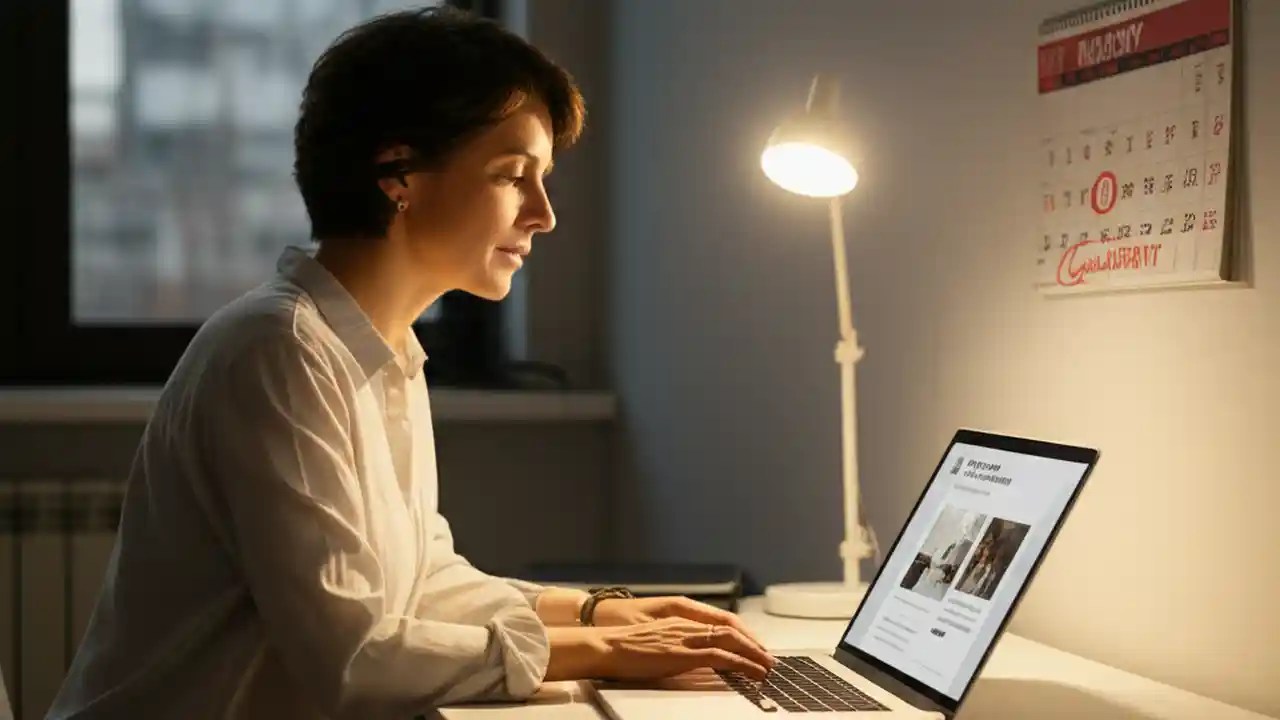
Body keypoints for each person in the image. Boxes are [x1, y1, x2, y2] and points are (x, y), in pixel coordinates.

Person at [48, 8, 774, 719]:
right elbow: (354, 657)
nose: (544, 213)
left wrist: (600, 613)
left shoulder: (380, 348)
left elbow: (418, 583)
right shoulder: (279, 351)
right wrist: (599, 652)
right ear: (398, 173)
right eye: (512, 174)